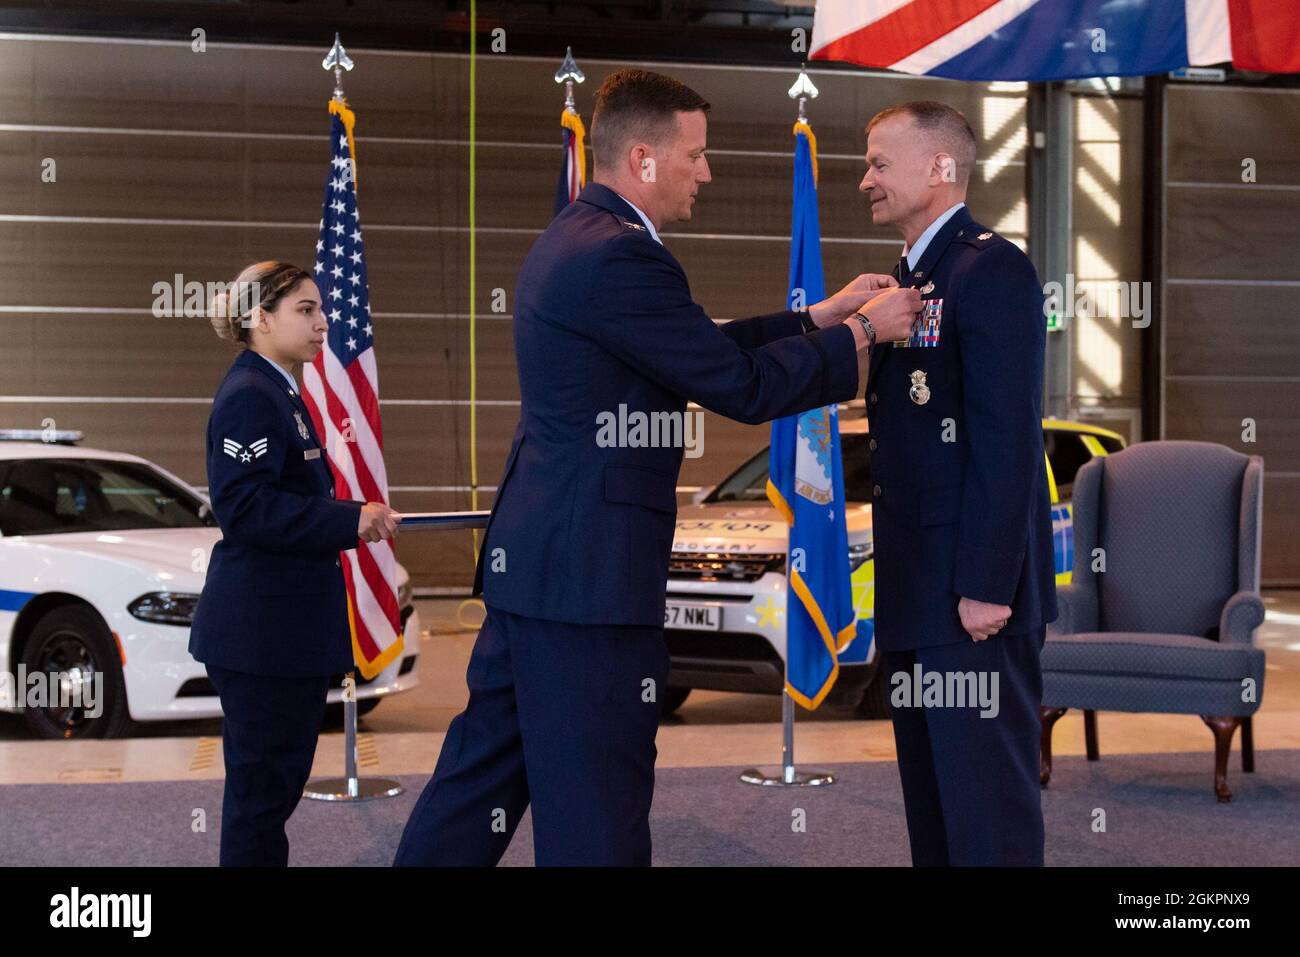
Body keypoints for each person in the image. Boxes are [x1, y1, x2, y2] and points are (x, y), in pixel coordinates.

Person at [394, 69, 920, 866]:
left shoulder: (579, 236)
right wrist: (863, 337)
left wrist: (818, 315)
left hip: (537, 571)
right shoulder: (624, 257)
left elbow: (694, 347)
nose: (705, 173)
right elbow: (736, 385)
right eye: (696, 155)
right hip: (589, 588)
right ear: (643, 158)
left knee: (478, 788)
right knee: (595, 808)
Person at [857, 101, 1058, 866]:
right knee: (935, 814)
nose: (866, 179)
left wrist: (985, 586)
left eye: (880, 162)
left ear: (941, 167)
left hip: (973, 603)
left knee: (987, 816)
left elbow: (1007, 442)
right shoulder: (911, 279)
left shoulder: (990, 268)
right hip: (917, 593)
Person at [189, 260, 400, 866]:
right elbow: (247, 509)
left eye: (321, 309)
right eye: (305, 310)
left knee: (271, 795)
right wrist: (347, 520)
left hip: (282, 638)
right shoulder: (251, 396)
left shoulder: (281, 390)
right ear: (260, 319)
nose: (322, 322)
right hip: (262, 641)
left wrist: (348, 515)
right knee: (260, 799)